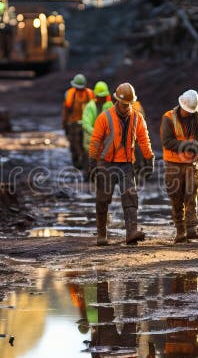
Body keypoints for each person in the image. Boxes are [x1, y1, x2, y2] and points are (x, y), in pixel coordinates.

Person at [88, 83, 154, 245]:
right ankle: (102, 234)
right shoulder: (104, 117)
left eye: (129, 104)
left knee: (130, 197)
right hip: (106, 164)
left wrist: (149, 158)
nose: (126, 107)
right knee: (102, 199)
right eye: (124, 104)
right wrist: (92, 161)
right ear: (116, 100)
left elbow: (144, 139)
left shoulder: (137, 118)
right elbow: (96, 140)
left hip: (126, 165)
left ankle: (131, 232)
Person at [160, 89, 198, 243]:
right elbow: (167, 142)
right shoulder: (168, 118)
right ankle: (180, 231)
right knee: (176, 198)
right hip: (173, 165)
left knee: (191, 196)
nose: (188, 113)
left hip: (192, 164)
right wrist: (188, 144)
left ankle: (191, 229)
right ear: (181, 105)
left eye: (191, 111)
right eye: (186, 110)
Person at [61, 73, 94, 170]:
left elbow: (66, 110)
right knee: (85, 146)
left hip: (73, 124)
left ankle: (78, 165)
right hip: (86, 124)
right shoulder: (90, 93)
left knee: (74, 146)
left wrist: (64, 123)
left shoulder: (69, 94)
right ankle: (85, 165)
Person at [81, 80, 112, 176]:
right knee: (90, 158)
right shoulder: (90, 107)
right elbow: (86, 123)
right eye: (101, 96)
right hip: (91, 139)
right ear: (96, 96)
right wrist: (96, 133)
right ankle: (88, 174)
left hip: (104, 140)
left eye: (104, 96)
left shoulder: (109, 106)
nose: (102, 98)